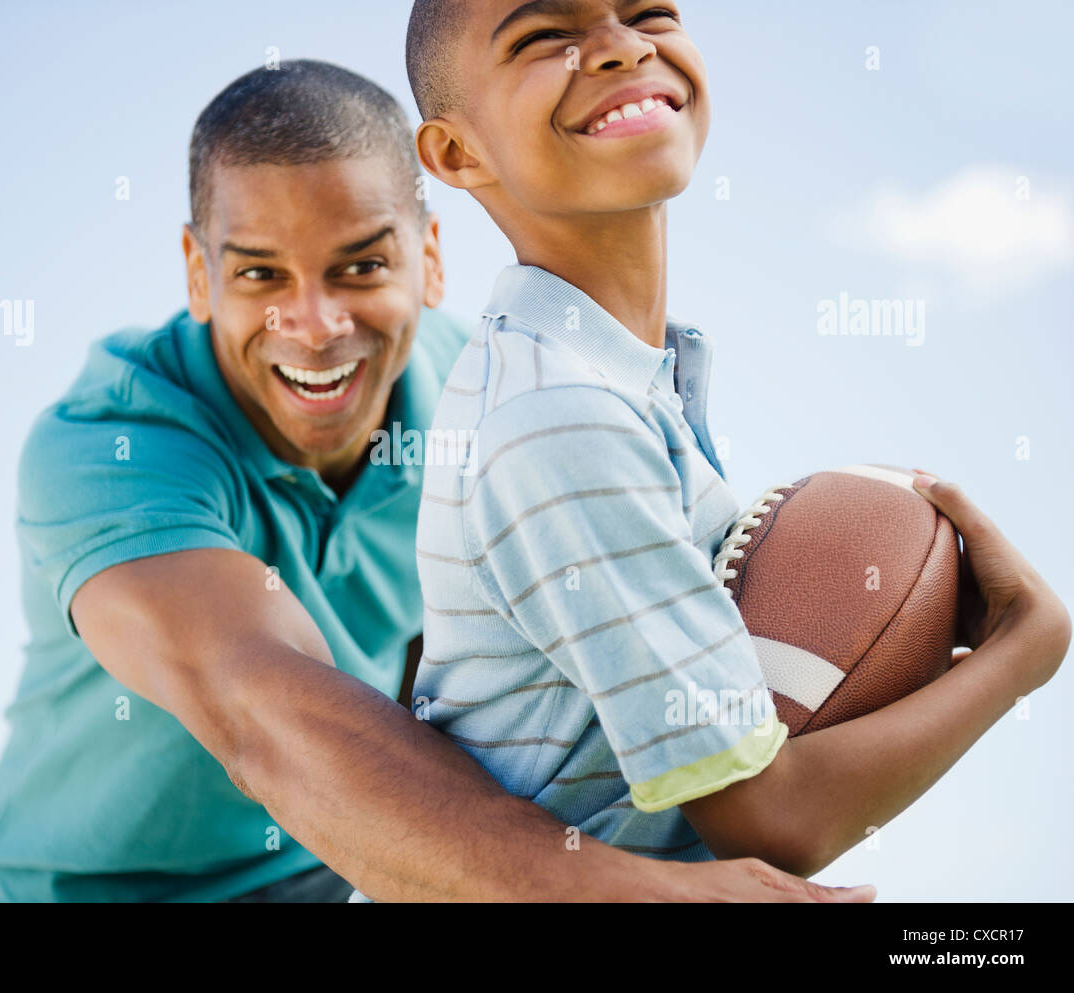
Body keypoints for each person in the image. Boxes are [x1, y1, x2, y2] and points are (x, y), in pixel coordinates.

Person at [0, 57, 891, 904]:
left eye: (361, 266)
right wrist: (635, 895)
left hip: (347, 879)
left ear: (432, 259)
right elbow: (260, 709)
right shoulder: (109, 443)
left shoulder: (496, 407)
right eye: (260, 274)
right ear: (199, 275)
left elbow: (476, 707)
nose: (316, 322)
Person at [383, 0, 1071, 896]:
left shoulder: (612, 369)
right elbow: (768, 819)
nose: (622, 48)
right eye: (543, 37)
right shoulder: (560, 417)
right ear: (456, 154)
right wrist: (1024, 652)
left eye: (647, 13)